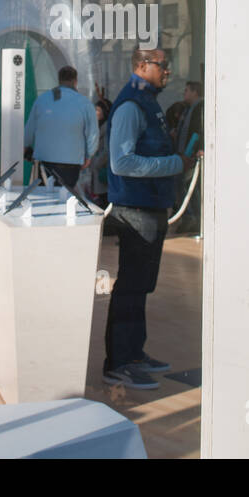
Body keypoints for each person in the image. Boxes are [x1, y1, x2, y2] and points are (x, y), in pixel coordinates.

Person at [102, 47, 196, 390]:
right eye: (162, 66)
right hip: (136, 210)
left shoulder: (149, 102)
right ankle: (119, 362)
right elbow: (121, 162)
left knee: (141, 286)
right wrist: (175, 164)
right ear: (142, 66)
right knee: (130, 286)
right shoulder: (130, 105)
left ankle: (134, 353)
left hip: (150, 206)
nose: (167, 72)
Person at [23, 65, 98, 190]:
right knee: (66, 197)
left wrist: (26, 146)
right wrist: (89, 155)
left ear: (59, 80)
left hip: (44, 160)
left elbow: (30, 128)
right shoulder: (84, 103)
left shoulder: (42, 99)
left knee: (44, 198)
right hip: (71, 161)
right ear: (75, 81)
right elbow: (93, 133)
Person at [172, 81, 204, 234]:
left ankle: (194, 218)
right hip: (184, 156)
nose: (184, 93)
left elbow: (198, 132)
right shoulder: (189, 109)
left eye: (187, 91)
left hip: (190, 157)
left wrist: (189, 153)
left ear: (194, 92)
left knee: (190, 187)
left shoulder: (199, 108)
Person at [85, 97, 111, 208]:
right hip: (97, 172)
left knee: (103, 200)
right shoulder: (98, 127)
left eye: (97, 110)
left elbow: (107, 150)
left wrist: (95, 163)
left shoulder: (107, 128)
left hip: (102, 170)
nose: (95, 113)